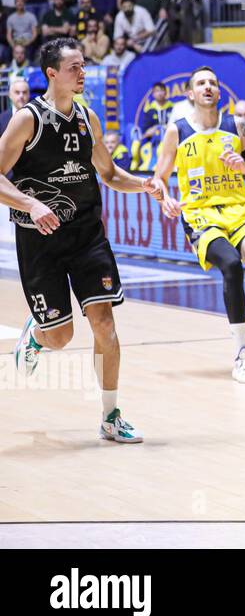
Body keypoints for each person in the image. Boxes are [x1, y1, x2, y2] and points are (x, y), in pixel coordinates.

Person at [5, 38, 167, 442]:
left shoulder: (88, 118)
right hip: (40, 240)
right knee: (61, 336)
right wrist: (30, 204)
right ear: (52, 74)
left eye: (84, 65)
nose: (83, 72)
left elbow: (109, 174)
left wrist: (144, 184)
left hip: (87, 235)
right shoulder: (28, 120)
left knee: (104, 324)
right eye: (75, 67)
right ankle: (37, 335)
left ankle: (110, 417)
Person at [149, 66, 245, 383]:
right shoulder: (177, 131)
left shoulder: (237, 126)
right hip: (200, 214)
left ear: (219, 92)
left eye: (212, 82)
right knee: (232, 265)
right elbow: (158, 177)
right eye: (201, 83)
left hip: (237, 209)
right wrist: (164, 198)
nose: (207, 87)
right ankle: (242, 354)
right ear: (190, 94)